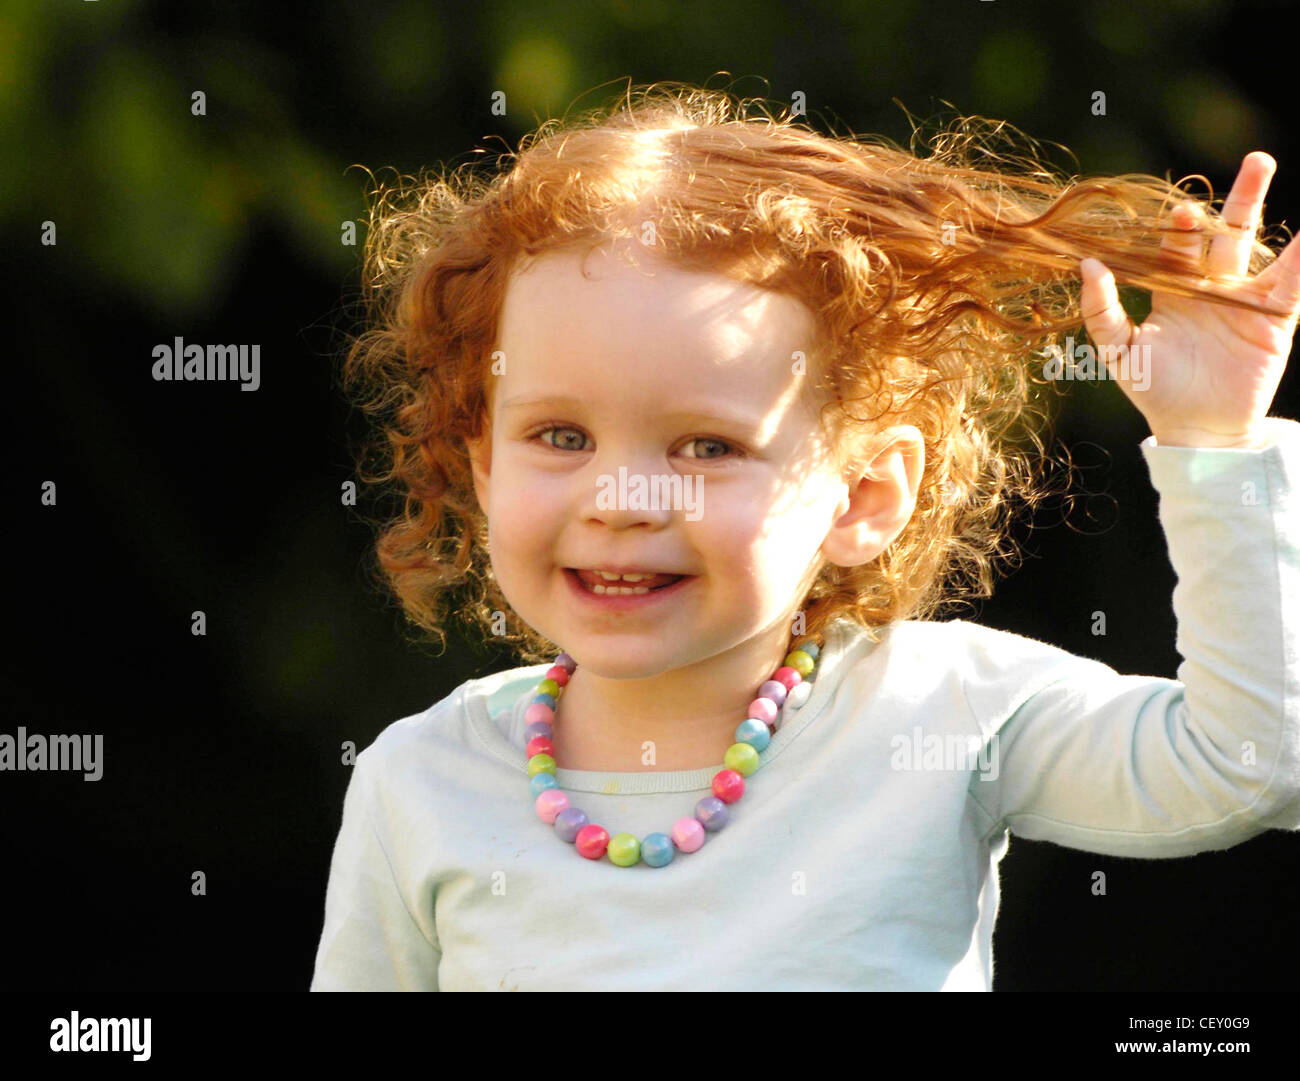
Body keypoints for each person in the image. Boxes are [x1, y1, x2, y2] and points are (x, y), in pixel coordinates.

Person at [310, 85, 1300, 990]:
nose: (619, 496)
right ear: (485, 466)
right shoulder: (422, 782)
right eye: (559, 435)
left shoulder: (940, 713)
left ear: (864, 494)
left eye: (706, 444)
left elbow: (1248, 764)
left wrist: (1215, 448)